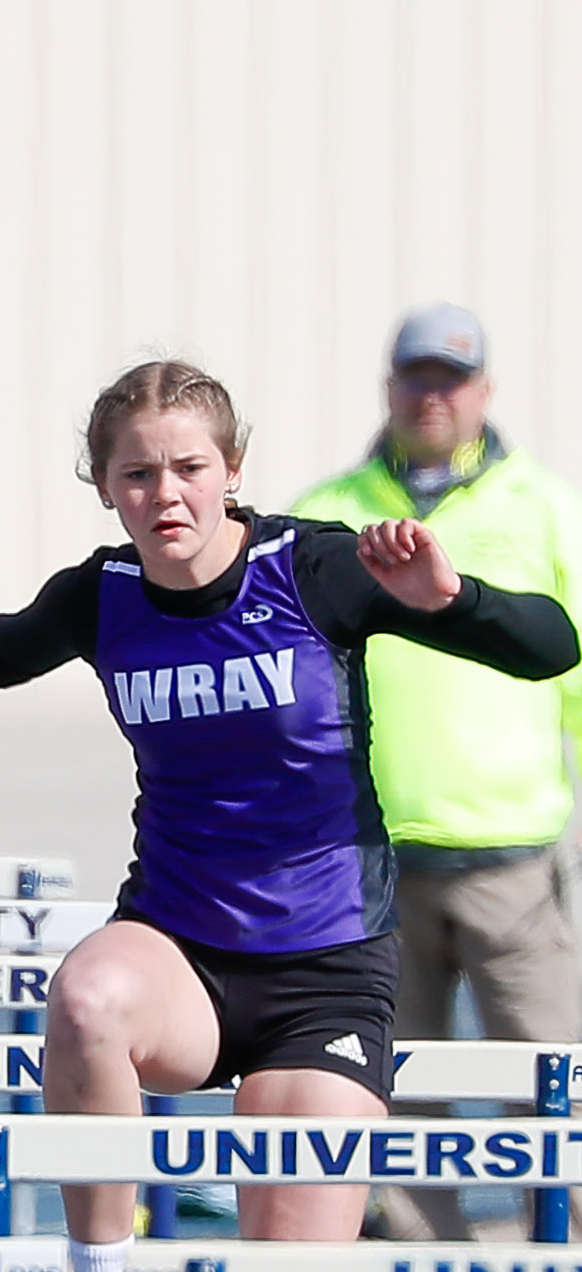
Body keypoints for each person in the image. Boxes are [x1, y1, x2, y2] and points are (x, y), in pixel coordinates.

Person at [0, 359, 578, 1268]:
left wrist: (450, 601)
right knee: (86, 997)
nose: (165, 494)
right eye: (137, 475)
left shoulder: (315, 567)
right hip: (178, 953)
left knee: (287, 1255)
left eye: (189, 469)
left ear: (231, 471)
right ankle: (99, 1257)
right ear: (105, 489)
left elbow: (551, 646)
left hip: (323, 968)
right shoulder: (105, 594)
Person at [295, 303, 582, 1241]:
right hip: (370, 858)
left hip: (506, 852)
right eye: (416, 377)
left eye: (450, 380)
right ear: (389, 387)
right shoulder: (329, 509)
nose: (432, 396)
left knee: (551, 1072)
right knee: (396, 1083)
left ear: (483, 392)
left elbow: (571, 664)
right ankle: (422, 1249)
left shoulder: (541, 505)